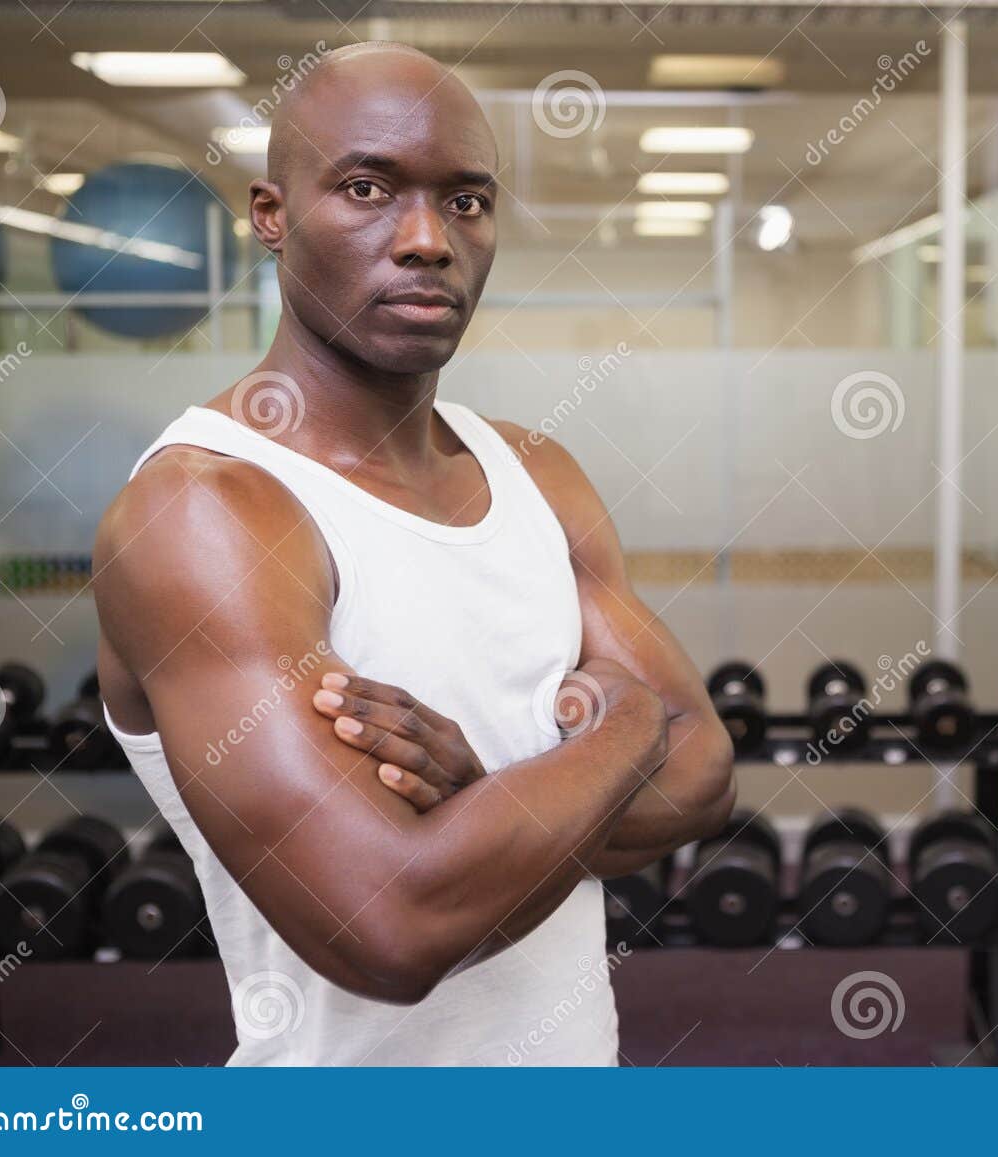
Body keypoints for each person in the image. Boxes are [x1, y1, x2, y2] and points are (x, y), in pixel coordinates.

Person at [91, 41, 736, 1065]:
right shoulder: (205, 511)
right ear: (271, 215)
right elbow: (389, 925)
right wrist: (622, 726)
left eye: (467, 201)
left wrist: (488, 793)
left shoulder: (537, 472)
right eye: (366, 187)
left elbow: (704, 774)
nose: (427, 238)